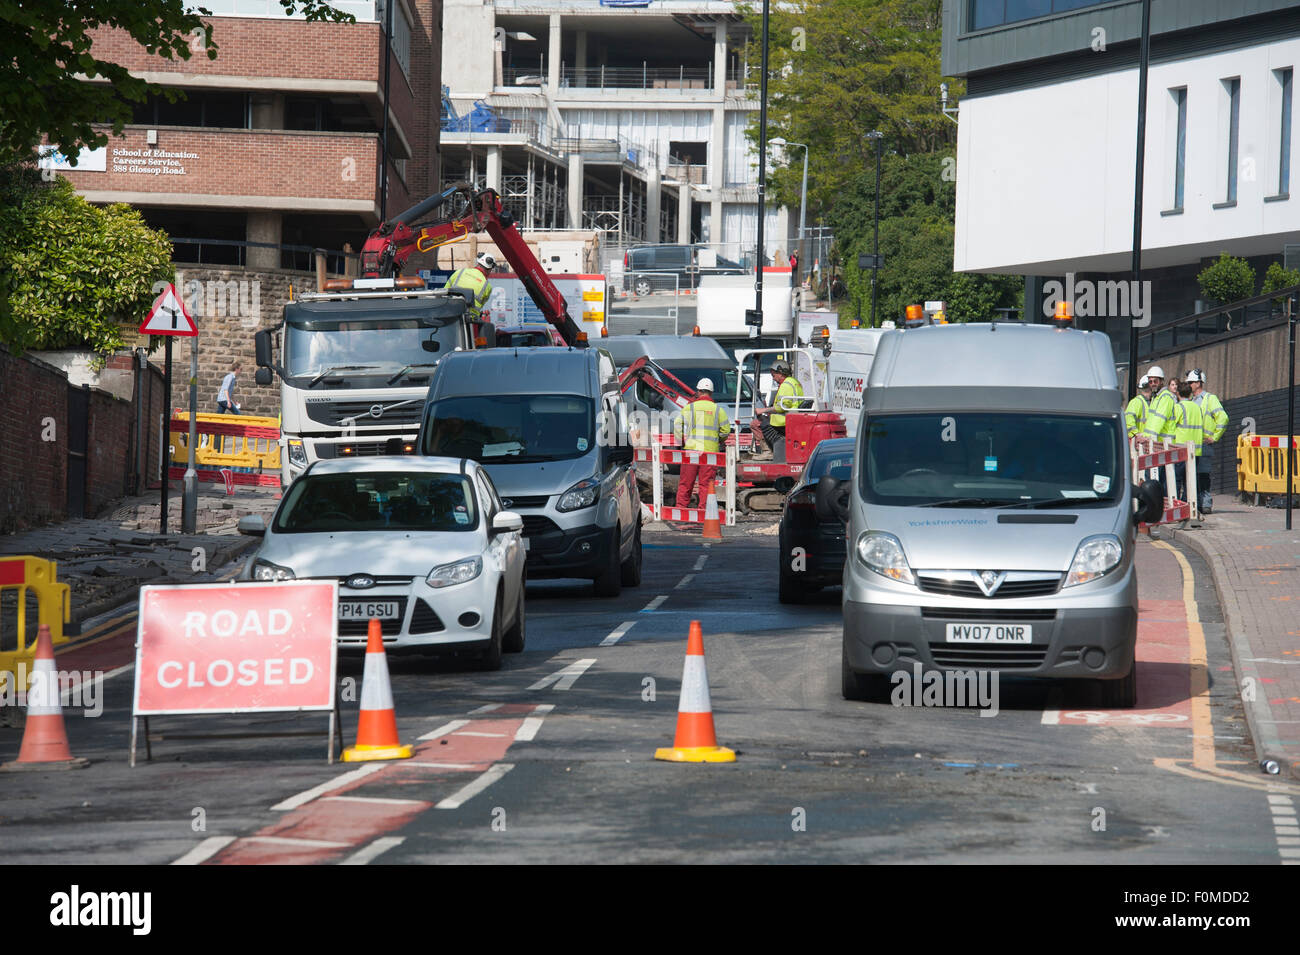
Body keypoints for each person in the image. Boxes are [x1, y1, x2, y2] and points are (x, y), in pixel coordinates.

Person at [674, 378, 731, 508]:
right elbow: (725, 431)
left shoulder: (689, 408)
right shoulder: (718, 410)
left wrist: (680, 441)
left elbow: (677, 424)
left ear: (698, 392)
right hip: (710, 452)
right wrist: (718, 440)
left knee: (685, 483)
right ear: (711, 393)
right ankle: (704, 514)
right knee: (706, 485)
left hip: (691, 451)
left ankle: (680, 511)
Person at [1187, 369, 1228, 514]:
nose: (1189, 385)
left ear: (1199, 383)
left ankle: (1205, 503)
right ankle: (1195, 503)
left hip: (1204, 444)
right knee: (1193, 475)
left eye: (1191, 382)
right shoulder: (1191, 401)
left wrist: (1214, 437)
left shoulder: (1210, 399)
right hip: (1192, 445)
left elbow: (1223, 418)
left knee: (1203, 475)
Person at [750, 360, 805, 456]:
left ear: (780, 373)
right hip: (793, 416)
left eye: (774, 375)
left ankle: (769, 451)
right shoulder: (794, 382)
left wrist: (763, 410)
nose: (773, 379)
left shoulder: (786, 385)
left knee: (757, 424)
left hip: (784, 419)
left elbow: (781, 407)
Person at [1173, 379, 1205, 505]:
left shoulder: (1178, 407)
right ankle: (1187, 505)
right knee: (1190, 480)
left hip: (1181, 449)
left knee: (1176, 479)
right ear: (1190, 394)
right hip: (1196, 450)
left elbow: (1171, 425)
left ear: (1178, 394)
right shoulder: (1197, 408)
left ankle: (1176, 504)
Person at [444, 252, 495, 321]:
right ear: (489, 269)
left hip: (448, 314)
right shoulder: (487, 286)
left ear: (478, 264)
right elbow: (478, 306)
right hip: (470, 321)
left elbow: (444, 291)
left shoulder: (460, 272)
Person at [1125, 375, 1151, 439]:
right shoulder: (1136, 402)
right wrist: (1136, 434)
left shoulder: (1151, 402)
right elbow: (1128, 419)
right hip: (1139, 443)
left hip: (1146, 441)